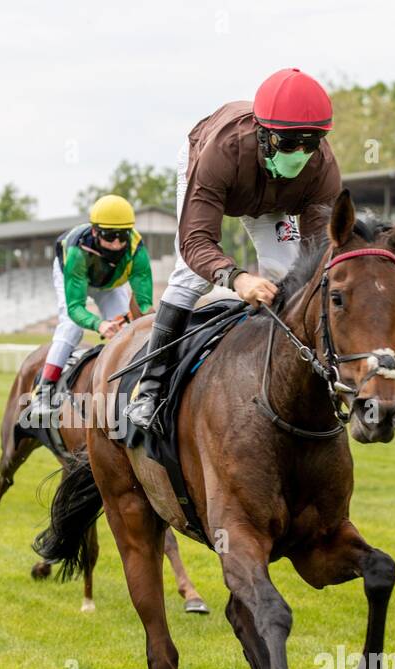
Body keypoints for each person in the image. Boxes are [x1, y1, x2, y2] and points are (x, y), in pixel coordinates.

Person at [124, 67, 342, 430]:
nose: (301, 154)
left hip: (272, 201)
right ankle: (150, 387)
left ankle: (281, 376)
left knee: (289, 275)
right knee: (192, 277)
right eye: (289, 144)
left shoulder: (323, 168)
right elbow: (195, 240)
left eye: (311, 142)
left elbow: (317, 251)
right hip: (210, 165)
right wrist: (237, 279)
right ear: (264, 134)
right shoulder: (221, 153)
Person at [27, 194, 153, 426]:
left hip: (109, 284)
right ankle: (42, 393)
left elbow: (145, 304)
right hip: (74, 274)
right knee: (71, 328)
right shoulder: (76, 253)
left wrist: (143, 318)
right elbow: (75, 308)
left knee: (129, 332)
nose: (116, 243)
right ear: (95, 232)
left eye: (122, 235)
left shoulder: (137, 250)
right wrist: (100, 324)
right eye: (109, 235)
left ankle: (135, 392)